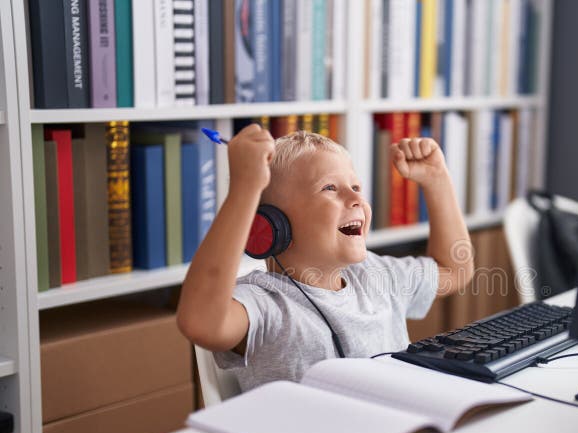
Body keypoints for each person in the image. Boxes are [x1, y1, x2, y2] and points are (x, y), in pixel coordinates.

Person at [176, 124, 474, 391]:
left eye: (356, 187)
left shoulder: (378, 275)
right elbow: (200, 322)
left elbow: (455, 269)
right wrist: (245, 188)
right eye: (329, 188)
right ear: (270, 226)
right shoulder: (267, 304)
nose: (356, 198)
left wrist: (437, 181)